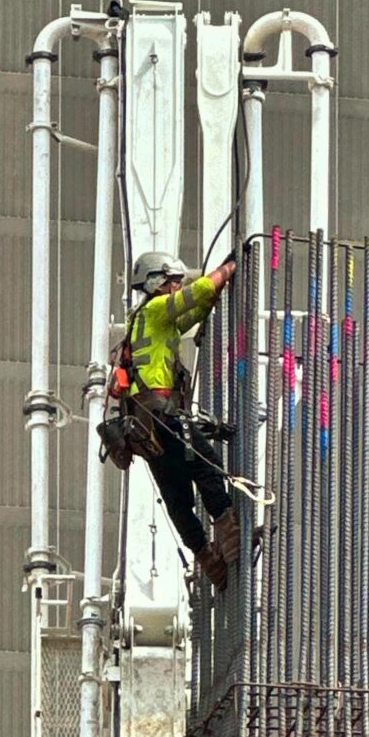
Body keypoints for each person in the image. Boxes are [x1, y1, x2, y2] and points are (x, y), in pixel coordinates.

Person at [123, 251, 242, 589]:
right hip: (163, 415)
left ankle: (210, 562)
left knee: (177, 496)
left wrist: (214, 291)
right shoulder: (156, 309)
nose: (177, 286)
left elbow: (198, 307)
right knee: (207, 467)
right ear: (156, 283)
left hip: (145, 427)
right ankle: (230, 538)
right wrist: (228, 269)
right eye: (173, 280)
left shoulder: (151, 322)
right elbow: (199, 292)